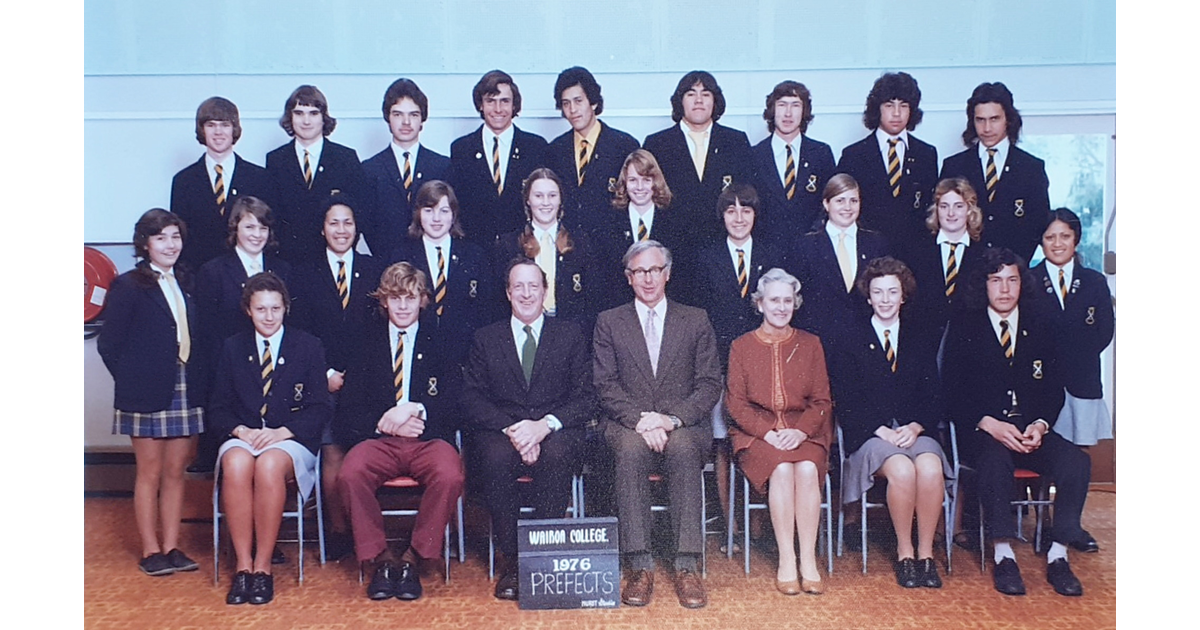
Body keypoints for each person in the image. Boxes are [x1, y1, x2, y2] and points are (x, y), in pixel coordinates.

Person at [943, 248, 1091, 597]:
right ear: (985, 285)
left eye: (1012, 280)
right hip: (986, 433)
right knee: (995, 461)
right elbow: (951, 390)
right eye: (996, 281)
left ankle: (1058, 553)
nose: (1005, 289)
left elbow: (1054, 387)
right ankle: (1004, 554)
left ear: (1022, 284)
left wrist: (1039, 425)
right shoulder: (965, 326)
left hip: (1030, 432)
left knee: (1076, 462)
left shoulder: (1042, 324)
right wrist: (988, 424)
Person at [593, 240, 722, 609]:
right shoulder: (609, 321)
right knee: (632, 451)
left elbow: (710, 383)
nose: (647, 279)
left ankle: (686, 565)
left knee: (681, 448)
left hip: (682, 423)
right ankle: (639, 565)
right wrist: (641, 421)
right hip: (627, 423)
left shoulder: (695, 319)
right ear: (628, 278)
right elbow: (605, 384)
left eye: (654, 270)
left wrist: (671, 419)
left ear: (667, 274)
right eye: (638, 272)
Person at [462, 258, 595, 600]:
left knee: (559, 453)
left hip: (555, 430)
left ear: (545, 291)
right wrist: (513, 429)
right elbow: (471, 398)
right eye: (518, 286)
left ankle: (542, 556)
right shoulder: (485, 338)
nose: (525, 293)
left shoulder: (570, 334)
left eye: (533, 286)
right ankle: (512, 560)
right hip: (503, 431)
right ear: (507, 292)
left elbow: (586, 396)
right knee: (493, 456)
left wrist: (544, 427)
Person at [334, 262, 465, 602]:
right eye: (395, 298)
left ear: (423, 300)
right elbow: (347, 411)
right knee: (349, 473)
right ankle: (381, 559)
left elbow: (456, 401)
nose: (403, 306)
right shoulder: (366, 344)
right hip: (380, 441)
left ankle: (413, 559)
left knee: (450, 474)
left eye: (410, 297)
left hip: (428, 439)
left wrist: (418, 410)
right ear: (384, 302)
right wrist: (384, 420)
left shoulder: (443, 341)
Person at [825, 257, 952, 589]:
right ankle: (905, 552)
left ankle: (926, 555)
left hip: (913, 430)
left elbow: (933, 394)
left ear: (903, 296)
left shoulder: (919, 336)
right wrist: (878, 429)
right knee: (901, 469)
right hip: (870, 434)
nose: (884, 299)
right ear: (868, 296)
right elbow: (845, 396)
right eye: (878, 292)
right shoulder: (849, 336)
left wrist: (915, 427)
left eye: (892, 292)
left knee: (930, 467)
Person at [207, 272, 332, 605]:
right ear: (248, 309)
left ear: (285, 308)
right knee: (235, 463)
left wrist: (282, 432)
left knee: (269, 466)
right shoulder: (233, 347)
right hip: (245, 435)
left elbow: (320, 406)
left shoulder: (307, 346)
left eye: (275, 308)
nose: (268, 316)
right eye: (261, 309)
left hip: (290, 437)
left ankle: (263, 568)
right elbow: (217, 408)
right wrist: (241, 431)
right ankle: (242, 568)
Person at [98, 209, 206, 577]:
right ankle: (150, 549)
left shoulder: (186, 280)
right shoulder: (129, 285)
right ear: (145, 243)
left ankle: (173, 546)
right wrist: (134, 380)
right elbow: (109, 346)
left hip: (184, 384)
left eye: (175, 237)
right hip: (144, 391)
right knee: (149, 472)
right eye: (161, 238)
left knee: (176, 471)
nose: (169, 244)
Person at [287, 194, 384, 559]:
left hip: (368, 377)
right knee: (333, 453)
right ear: (322, 229)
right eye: (334, 223)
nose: (341, 230)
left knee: (363, 452)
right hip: (321, 378)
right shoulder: (305, 272)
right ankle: (339, 531)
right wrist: (325, 373)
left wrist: (358, 375)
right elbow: (301, 331)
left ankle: (364, 529)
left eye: (347, 223)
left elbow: (381, 328)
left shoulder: (375, 268)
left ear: (357, 228)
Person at [696, 183, 785, 542]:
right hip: (719, 358)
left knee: (758, 433)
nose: (738, 218)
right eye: (731, 211)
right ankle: (729, 520)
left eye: (745, 210)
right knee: (723, 440)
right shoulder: (705, 256)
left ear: (755, 214)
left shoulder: (772, 251)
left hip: (764, 358)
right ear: (722, 216)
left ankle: (761, 522)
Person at [1029, 210, 1112, 553]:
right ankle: (1042, 523)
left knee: (1076, 457)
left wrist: (1076, 357)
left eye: (1064, 236)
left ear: (1076, 239)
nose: (1057, 243)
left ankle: (1070, 526)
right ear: (1041, 242)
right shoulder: (1029, 280)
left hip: (1081, 382)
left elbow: (1104, 330)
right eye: (1050, 237)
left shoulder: (1093, 281)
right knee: (1046, 451)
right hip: (1041, 383)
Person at [194, 196, 292, 473]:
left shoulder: (283, 270)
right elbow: (206, 333)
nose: (256, 235)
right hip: (229, 378)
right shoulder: (212, 271)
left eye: (262, 228)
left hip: (275, 375)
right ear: (235, 228)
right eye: (249, 227)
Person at [642, 70, 753, 288]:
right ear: (680, 101)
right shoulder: (657, 144)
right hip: (673, 255)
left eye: (706, 93)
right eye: (691, 94)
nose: (699, 100)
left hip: (723, 255)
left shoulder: (736, 142)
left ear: (715, 101)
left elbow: (746, 198)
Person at [939, 82, 1050, 261]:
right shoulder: (954, 166)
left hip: (1013, 273)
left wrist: (1013, 266)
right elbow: (943, 222)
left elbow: (1037, 225)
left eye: (994, 119)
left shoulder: (1031, 168)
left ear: (1008, 119)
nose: (987, 128)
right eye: (980, 120)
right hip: (966, 272)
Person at [386, 180, 492, 365]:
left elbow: (486, 310)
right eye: (429, 210)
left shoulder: (475, 255)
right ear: (418, 214)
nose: (436, 219)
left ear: (453, 215)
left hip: (466, 359)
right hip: (417, 356)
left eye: (444, 211)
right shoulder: (401, 256)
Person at [835, 72, 938, 259]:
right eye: (889, 105)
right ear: (877, 109)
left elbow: (930, 211)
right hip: (867, 256)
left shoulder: (926, 154)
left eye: (904, 106)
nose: (897, 113)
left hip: (915, 257)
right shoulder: (854, 155)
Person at [266, 85, 367, 267]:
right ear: (290, 117)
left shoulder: (346, 158)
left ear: (323, 118)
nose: (306, 121)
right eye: (299, 113)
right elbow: (273, 217)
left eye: (313, 113)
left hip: (333, 262)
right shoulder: (276, 160)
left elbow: (359, 214)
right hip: (289, 262)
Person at [492, 168, 599, 338]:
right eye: (538, 196)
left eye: (552, 195)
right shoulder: (509, 245)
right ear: (528, 200)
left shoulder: (580, 242)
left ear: (560, 200)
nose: (546, 203)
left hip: (570, 336)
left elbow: (592, 299)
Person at [171, 97, 274, 270]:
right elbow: (181, 237)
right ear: (202, 130)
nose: (218, 132)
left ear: (234, 129)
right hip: (200, 276)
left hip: (249, 276)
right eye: (211, 125)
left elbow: (268, 232)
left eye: (225, 124)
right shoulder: (183, 181)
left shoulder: (260, 178)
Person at [449, 70, 548, 247]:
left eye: (504, 101)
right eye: (490, 101)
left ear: (514, 105)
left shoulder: (536, 147)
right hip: (477, 251)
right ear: (480, 105)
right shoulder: (461, 149)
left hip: (524, 249)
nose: (498, 109)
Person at [791, 174, 890, 345]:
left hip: (865, 342)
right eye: (840, 200)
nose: (847, 207)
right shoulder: (805, 245)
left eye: (854, 200)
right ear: (826, 204)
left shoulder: (875, 243)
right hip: (819, 342)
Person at [361, 78, 452, 258]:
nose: (406, 122)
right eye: (398, 114)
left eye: (413, 114)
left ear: (422, 119)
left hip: (431, 264)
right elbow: (367, 225)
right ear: (387, 117)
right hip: (386, 266)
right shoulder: (369, 169)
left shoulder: (443, 166)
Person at [544, 66, 640, 236]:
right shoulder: (554, 150)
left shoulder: (624, 145)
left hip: (613, 248)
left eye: (578, 101)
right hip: (568, 249)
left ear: (594, 102)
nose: (572, 110)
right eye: (566, 103)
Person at [595, 149, 683, 310]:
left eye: (646, 180)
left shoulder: (675, 223)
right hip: (620, 312)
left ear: (655, 182)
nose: (639, 187)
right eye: (633, 180)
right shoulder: (607, 223)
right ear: (624, 183)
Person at [750, 80, 836, 245]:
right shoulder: (754, 155)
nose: (788, 113)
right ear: (772, 110)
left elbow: (829, 204)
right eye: (782, 105)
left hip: (812, 250)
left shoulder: (821, 153)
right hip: (766, 251)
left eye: (795, 105)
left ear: (804, 111)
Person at [907, 177, 985, 345]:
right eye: (944, 206)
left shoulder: (984, 254)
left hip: (970, 344)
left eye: (958, 206)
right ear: (936, 210)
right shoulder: (915, 252)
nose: (951, 213)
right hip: (923, 343)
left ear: (970, 210)